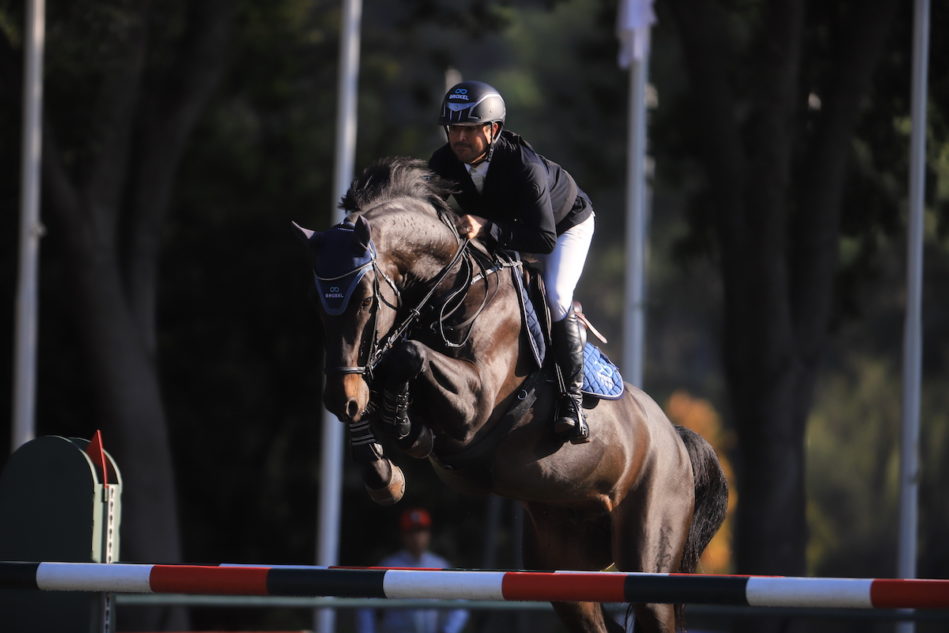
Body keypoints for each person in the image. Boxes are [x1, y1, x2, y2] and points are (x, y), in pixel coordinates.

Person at [428, 80, 595, 443]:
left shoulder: (524, 167)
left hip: (563, 227)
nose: (458, 137)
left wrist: (486, 226)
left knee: (555, 294)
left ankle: (572, 402)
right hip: (510, 228)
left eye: (469, 129)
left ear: (493, 130)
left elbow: (543, 239)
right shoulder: (443, 163)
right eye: (453, 128)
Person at [355, 508, 469, 633]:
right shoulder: (389, 565)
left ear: (428, 533)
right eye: (411, 531)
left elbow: (461, 603)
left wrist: (448, 630)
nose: (416, 537)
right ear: (402, 535)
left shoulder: (440, 565)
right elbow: (366, 604)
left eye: (421, 530)